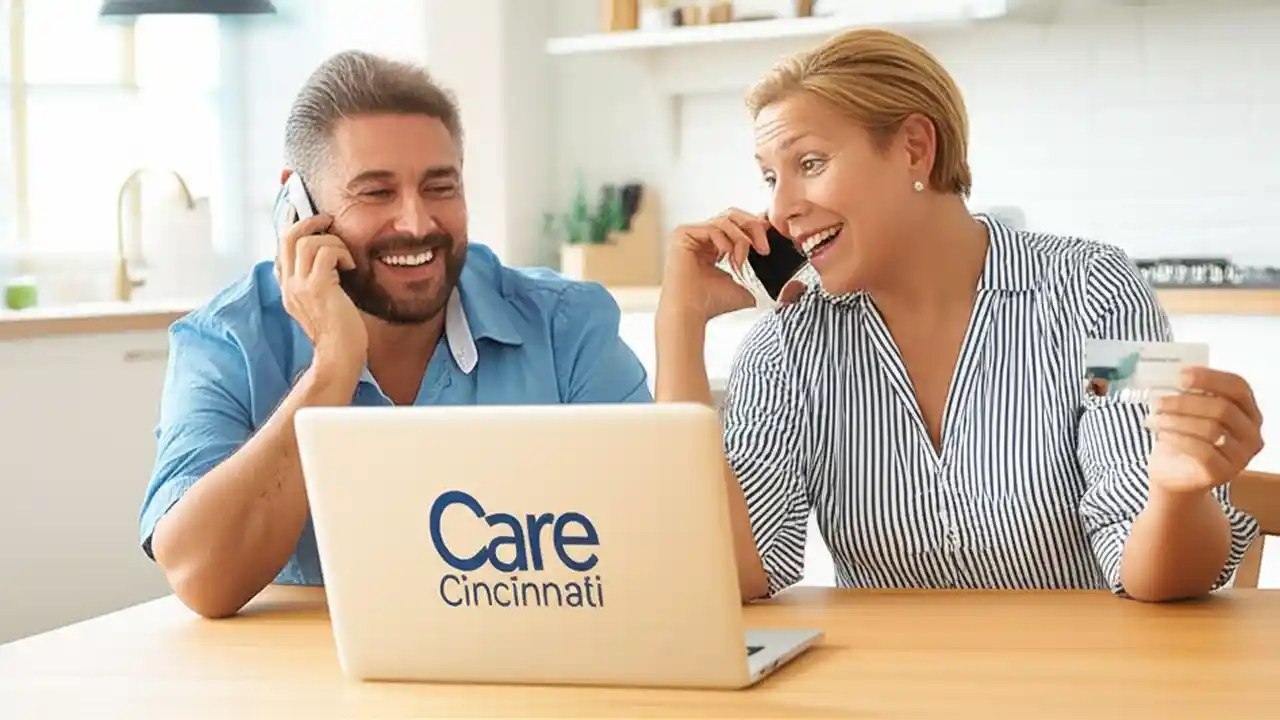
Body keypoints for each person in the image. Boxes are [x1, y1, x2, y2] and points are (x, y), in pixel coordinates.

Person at [655, 28, 1264, 603]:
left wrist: (1177, 492)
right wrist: (680, 324)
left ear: (916, 148)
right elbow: (722, 573)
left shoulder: (1100, 294)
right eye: (769, 177)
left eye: (810, 164)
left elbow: (1158, 574)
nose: (781, 208)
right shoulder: (786, 345)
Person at [139, 51, 651, 618]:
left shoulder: (566, 326)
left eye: (440, 187)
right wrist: (332, 369)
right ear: (299, 205)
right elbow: (202, 577)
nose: (416, 223)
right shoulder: (227, 342)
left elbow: (659, 542)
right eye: (376, 192)